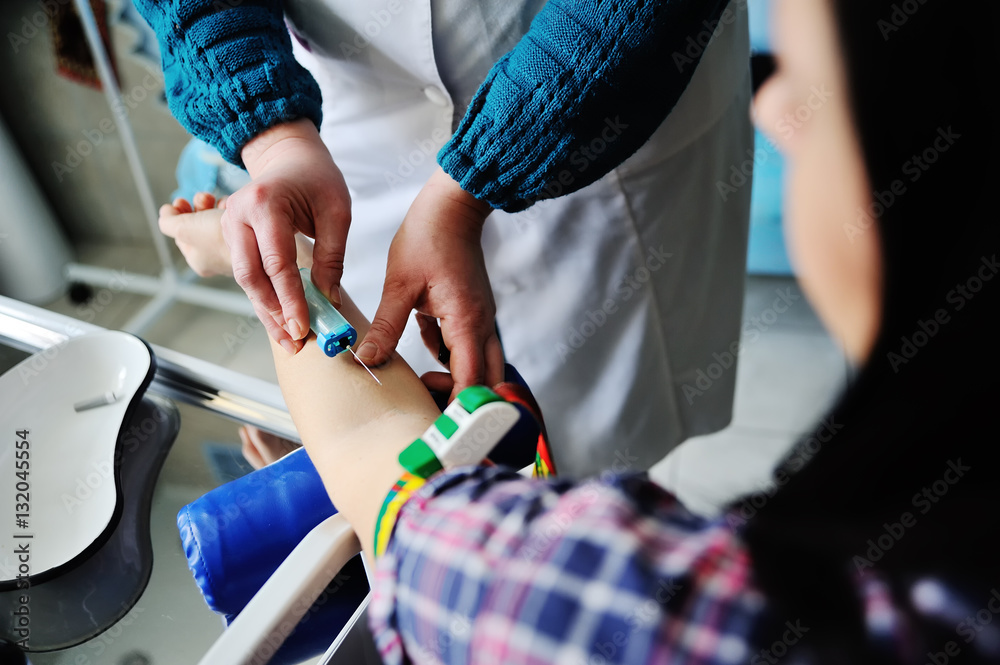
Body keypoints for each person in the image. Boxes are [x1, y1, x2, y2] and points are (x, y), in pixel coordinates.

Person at [161, 0, 1000, 659]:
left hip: (607, 156)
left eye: (811, 83)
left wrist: (270, 258)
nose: (773, 106)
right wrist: (271, 136)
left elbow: (418, 515)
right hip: (357, 145)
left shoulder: (607, 603)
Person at [136, 0, 755, 477]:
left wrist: (319, 458)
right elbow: (390, 481)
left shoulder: (422, 533)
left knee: (610, 446)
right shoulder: (427, 529)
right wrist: (277, 141)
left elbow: (388, 480)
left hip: (602, 104)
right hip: (359, 139)